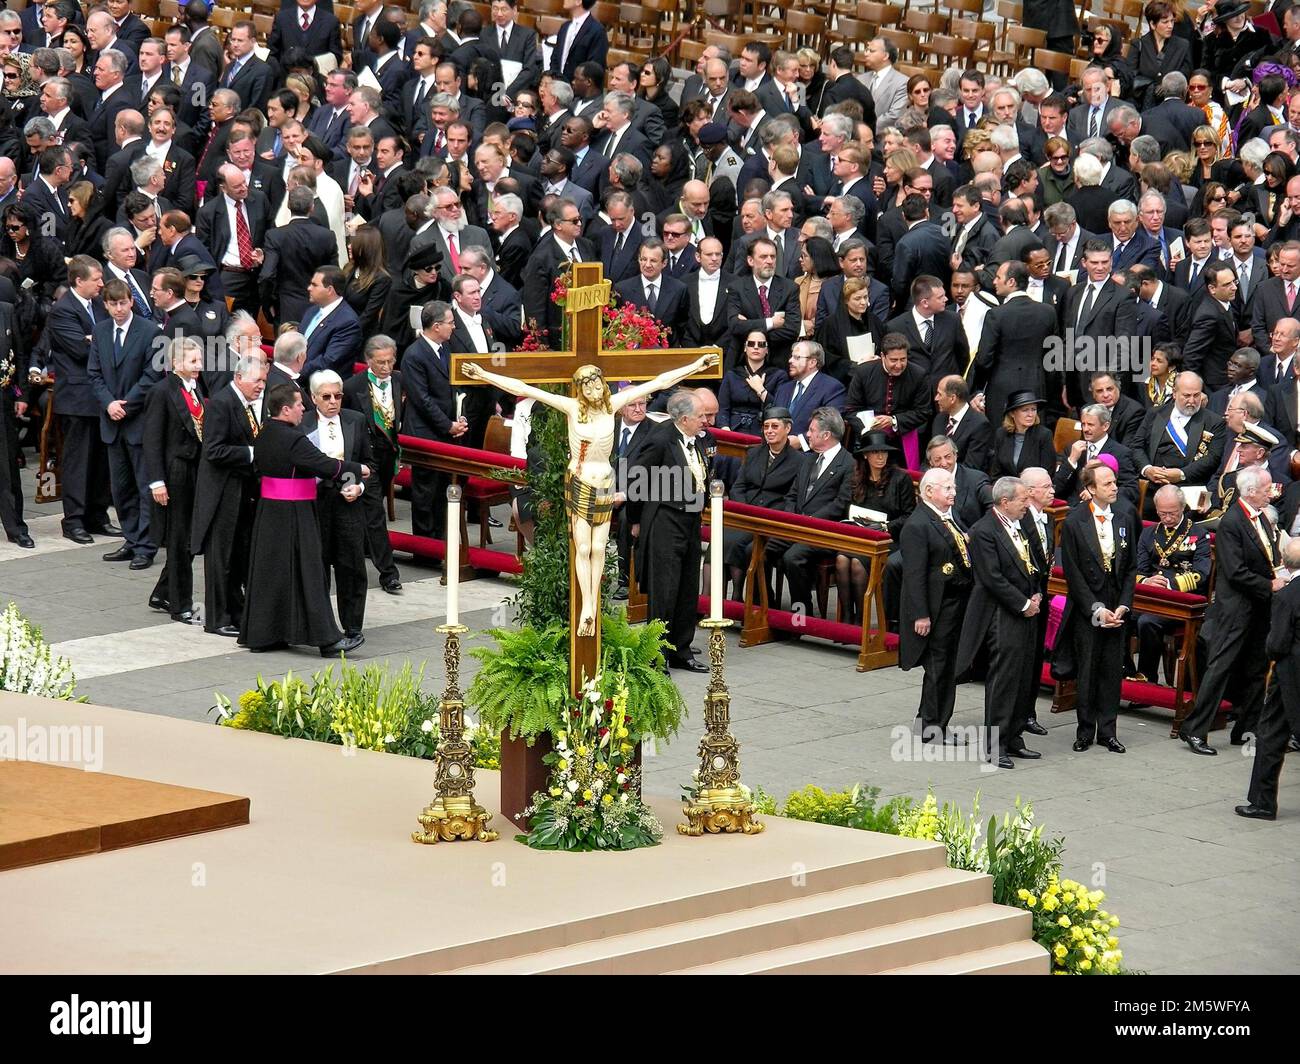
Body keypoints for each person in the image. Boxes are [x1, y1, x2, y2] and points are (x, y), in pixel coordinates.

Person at [464, 351, 720, 638]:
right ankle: (586, 605)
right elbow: (524, 389)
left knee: (598, 550)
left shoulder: (613, 404)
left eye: (598, 384)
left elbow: (659, 381)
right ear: (580, 389)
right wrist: (484, 374)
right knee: (583, 549)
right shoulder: (572, 407)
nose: (595, 390)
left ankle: (592, 604)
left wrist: (697, 366)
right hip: (581, 480)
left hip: (604, 481)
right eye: (588, 386)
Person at [239, 382, 368, 655]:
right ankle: (328, 640)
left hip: (269, 511)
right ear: (285, 409)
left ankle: (266, 634)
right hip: (296, 511)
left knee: (272, 573)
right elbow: (325, 464)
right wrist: (359, 469)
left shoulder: (263, 434)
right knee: (310, 573)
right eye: (299, 405)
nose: (303, 409)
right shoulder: (294, 439)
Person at [1180, 465, 1285, 754]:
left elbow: (1268, 555)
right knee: (1221, 666)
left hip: (1259, 608)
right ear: (1251, 492)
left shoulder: (1261, 518)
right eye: (1266, 489)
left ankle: (1246, 727)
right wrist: (1271, 584)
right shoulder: (1232, 522)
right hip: (1236, 607)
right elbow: (1235, 571)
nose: (1271, 493)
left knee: (1256, 667)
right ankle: (1195, 729)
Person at [1052, 461, 1140, 754]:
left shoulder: (1125, 516)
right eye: (1107, 483)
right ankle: (1085, 730)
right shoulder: (1075, 521)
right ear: (1090, 489)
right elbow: (1073, 574)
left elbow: (1130, 568)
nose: (1114, 487)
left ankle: (1108, 730)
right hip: (1088, 608)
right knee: (1088, 669)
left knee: (1111, 670)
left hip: (1117, 606)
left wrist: (1124, 605)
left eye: (1114, 482)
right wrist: (1096, 608)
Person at [956, 476, 1044, 769]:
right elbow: (992, 578)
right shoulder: (984, 531)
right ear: (1004, 502)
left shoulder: (1019, 525)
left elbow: (1033, 564)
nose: (1027, 505)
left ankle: (1014, 737)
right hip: (1001, 614)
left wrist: (1036, 594)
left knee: (1023, 677)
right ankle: (995, 746)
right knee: (1003, 680)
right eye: (1022, 500)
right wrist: (1023, 604)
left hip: (1027, 610)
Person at [86, 277, 163, 569]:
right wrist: (108, 403)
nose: (118, 309)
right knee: (121, 488)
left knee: (145, 486)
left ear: (131, 301)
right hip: (112, 421)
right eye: (112, 304)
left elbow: (152, 376)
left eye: (123, 303)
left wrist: (125, 405)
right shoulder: (101, 331)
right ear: (105, 305)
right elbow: (94, 374)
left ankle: (146, 545)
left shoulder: (149, 331)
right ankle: (131, 539)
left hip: (138, 420)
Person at [191, 352, 266, 636]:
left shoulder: (246, 403)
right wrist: (251, 453)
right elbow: (213, 450)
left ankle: (236, 613)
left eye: (263, 380)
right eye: (256, 380)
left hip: (242, 494)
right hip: (222, 495)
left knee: (237, 557)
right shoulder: (223, 403)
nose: (261, 386)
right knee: (220, 559)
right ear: (238, 377)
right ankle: (217, 619)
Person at [899, 467, 973, 743]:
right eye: (947, 488)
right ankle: (934, 726)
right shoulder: (919, 525)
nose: (953, 493)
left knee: (943, 666)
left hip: (953, 605)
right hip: (938, 608)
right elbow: (915, 575)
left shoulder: (945, 518)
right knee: (939, 668)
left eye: (953, 488)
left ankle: (927, 719)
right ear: (929, 491)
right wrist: (921, 614)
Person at [302, 370, 374, 643]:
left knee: (352, 565)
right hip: (315, 501)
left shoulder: (355, 420)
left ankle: (353, 625)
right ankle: (321, 625)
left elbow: (370, 464)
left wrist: (360, 487)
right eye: (327, 396)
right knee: (317, 564)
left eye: (338, 395)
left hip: (348, 502)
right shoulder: (303, 423)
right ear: (314, 398)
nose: (333, 401)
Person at [143, 336, 207, 623]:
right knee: (180, 539)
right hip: (175, 472)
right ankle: (179, 604)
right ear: (176, 363)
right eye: (193, 361)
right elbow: (152, 440)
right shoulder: (162, 391)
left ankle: (163, 591)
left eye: (200, 360)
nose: (199, 366)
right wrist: (157, 481)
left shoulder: (196, 388)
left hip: (194, 471)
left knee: (188, 537)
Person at [1238, 536, 1300, 820]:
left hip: (1289, 676)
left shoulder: (1287, 596)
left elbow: (1276, 644)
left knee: (1271, 736)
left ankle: (1263, 802)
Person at [774, 406, 855, 619]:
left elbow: (841, 504)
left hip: (824, 532)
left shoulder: (848, 464)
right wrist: (792, 517)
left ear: (826, 435)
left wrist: (811, 520)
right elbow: (792, 494)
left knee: (793, 557)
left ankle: (801, 615)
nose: (807, 434)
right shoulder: (808, 459)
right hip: (797, 526)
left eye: (811, 430)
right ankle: (764, 607)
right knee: (760, 548)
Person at [342, 335, 403, 595]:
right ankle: (389, 574)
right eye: (380, 362)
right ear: (368, 361)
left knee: (370, 515)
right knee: (376, 515)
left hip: (389, 455)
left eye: (390, 361)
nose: (386, 367)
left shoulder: (400, 381)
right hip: (365, 458)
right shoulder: (352, 386)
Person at [1135, 484, 1211, 683]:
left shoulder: (1198, 534)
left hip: (1181, 602)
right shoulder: (1149, 534)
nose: (1167, 518)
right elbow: (1137, 569)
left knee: (1147, 622)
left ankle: (1146, 677)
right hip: (1150, 595)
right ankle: (1124, 669)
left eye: (1173, 513)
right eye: (1162, 513)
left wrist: (1169, 585)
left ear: (1182, 508)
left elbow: (1201, 574)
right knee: (1119, 615)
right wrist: (1147, 581)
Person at [716, 331, 788, 436]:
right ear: (745, 348)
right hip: (733, 429)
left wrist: (761, 390)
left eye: (761, 344)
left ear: (767, 350)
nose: (756, 347)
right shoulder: (732, 375)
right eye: (751, 344)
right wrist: (725, 429)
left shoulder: (778, 376)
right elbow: (723, 408)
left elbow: (780, 409)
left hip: (764, 431)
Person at [990, 391, 1056, 479]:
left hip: (1033, 489)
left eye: (1033, 409)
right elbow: (996, 472)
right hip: (1007, 489)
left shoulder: (1044, 435)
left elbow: (1048, 473)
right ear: (1012, 413)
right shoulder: (1001, 434)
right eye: (1025, 410)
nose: (1030, 414)